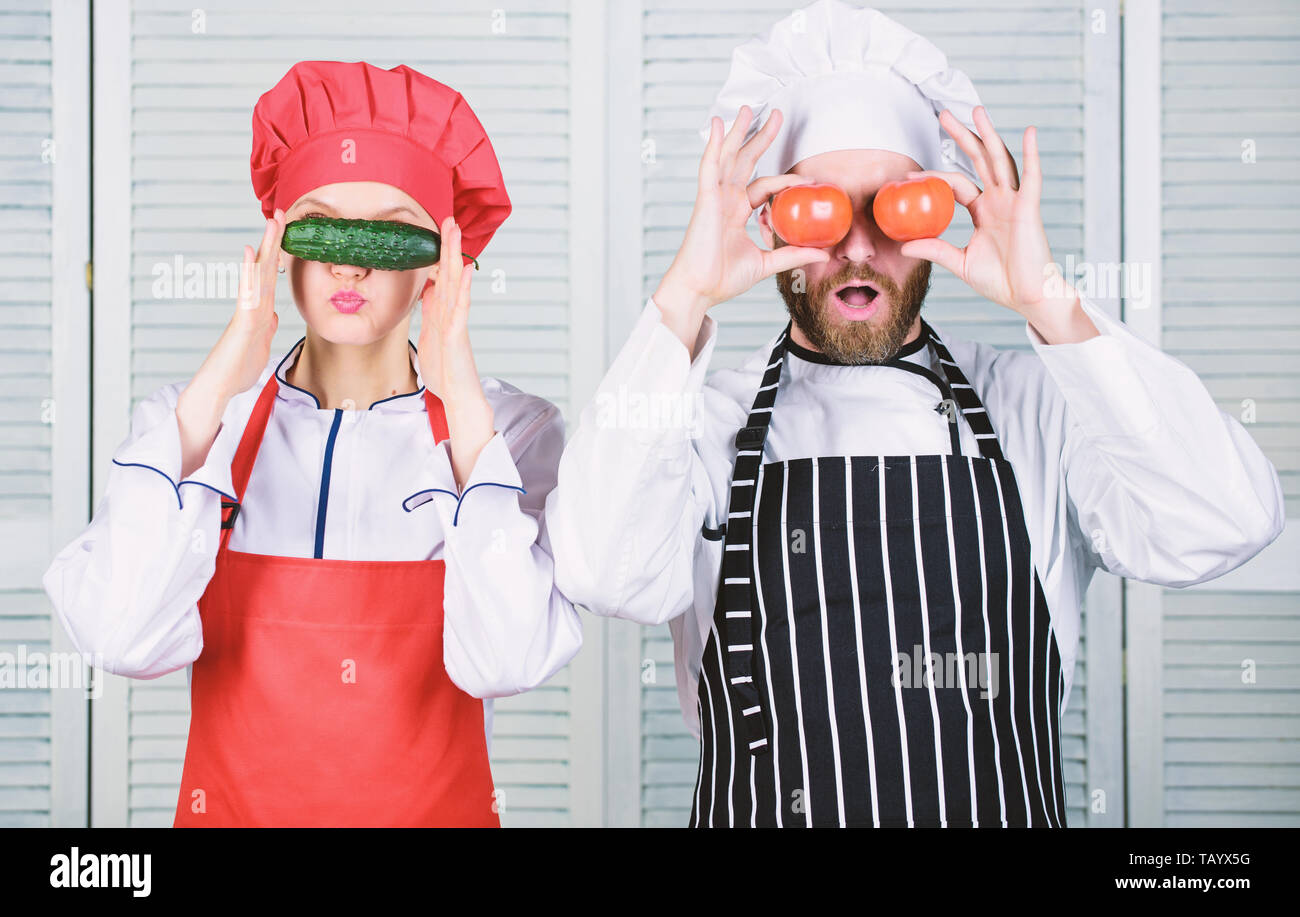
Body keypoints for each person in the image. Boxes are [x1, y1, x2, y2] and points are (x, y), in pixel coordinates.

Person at [545, 0, 1284, 827]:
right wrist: (683, 295)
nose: (858, 246)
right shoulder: (701, 422)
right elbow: (598, 569)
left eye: (894, 207)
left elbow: (1227, 521)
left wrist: (1049, 301)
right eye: (818, 207)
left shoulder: (1035, 403)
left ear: (939, 211)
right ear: (767, 219)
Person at [42, 60, 582, 827]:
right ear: (280, 240)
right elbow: (121, 636)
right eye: (321, 220)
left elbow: (509, 659)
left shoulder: (506, 432)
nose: (350, 260)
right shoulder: (196, 426)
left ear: (443, 260)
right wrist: (228, 364)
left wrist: (460, 392)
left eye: (391, 230)